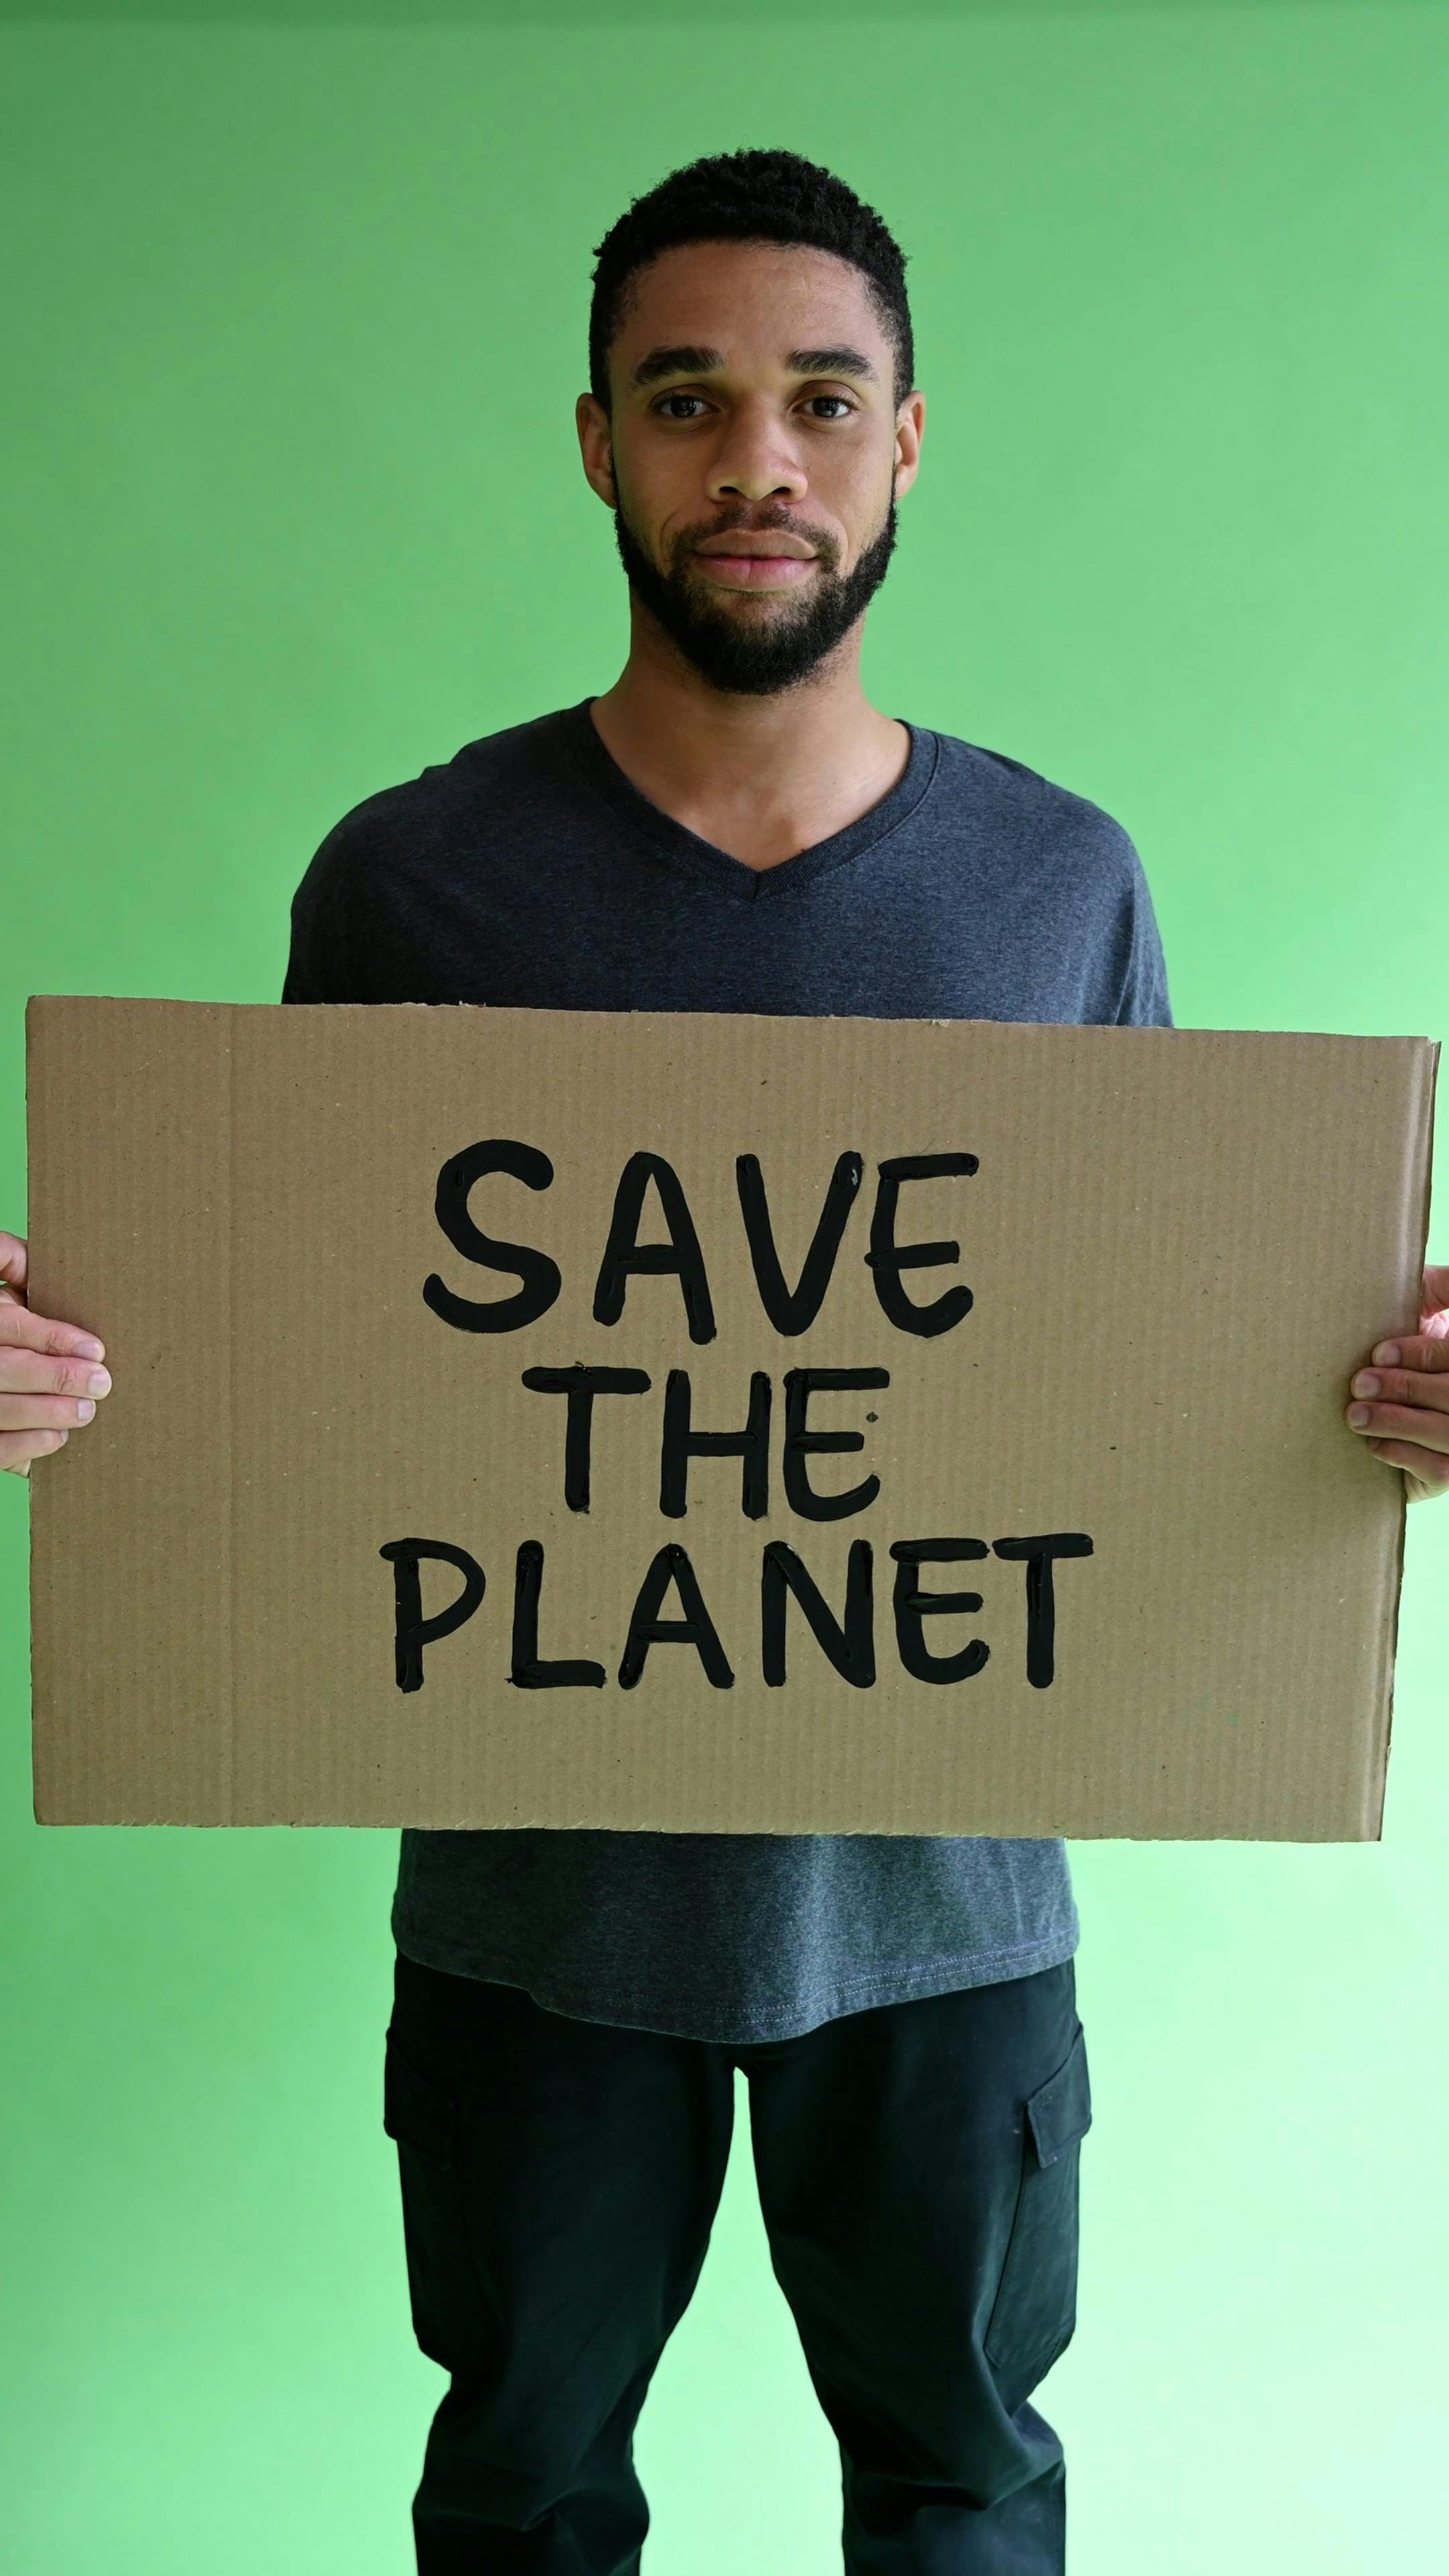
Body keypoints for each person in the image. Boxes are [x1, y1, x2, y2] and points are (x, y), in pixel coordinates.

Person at [5, 146, 1446, 2576]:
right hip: (533, 1914)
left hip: (951, 1906)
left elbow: (1146, 1351)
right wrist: (71, 1380)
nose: (755, 458)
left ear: (904, 443)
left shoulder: (1059, 884)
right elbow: (306, 1373)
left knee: (968, 2495)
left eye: (818, 399)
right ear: (597, 442)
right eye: (688, 401)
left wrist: (1375, 1420)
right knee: (529, 2498)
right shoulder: (409, 877)